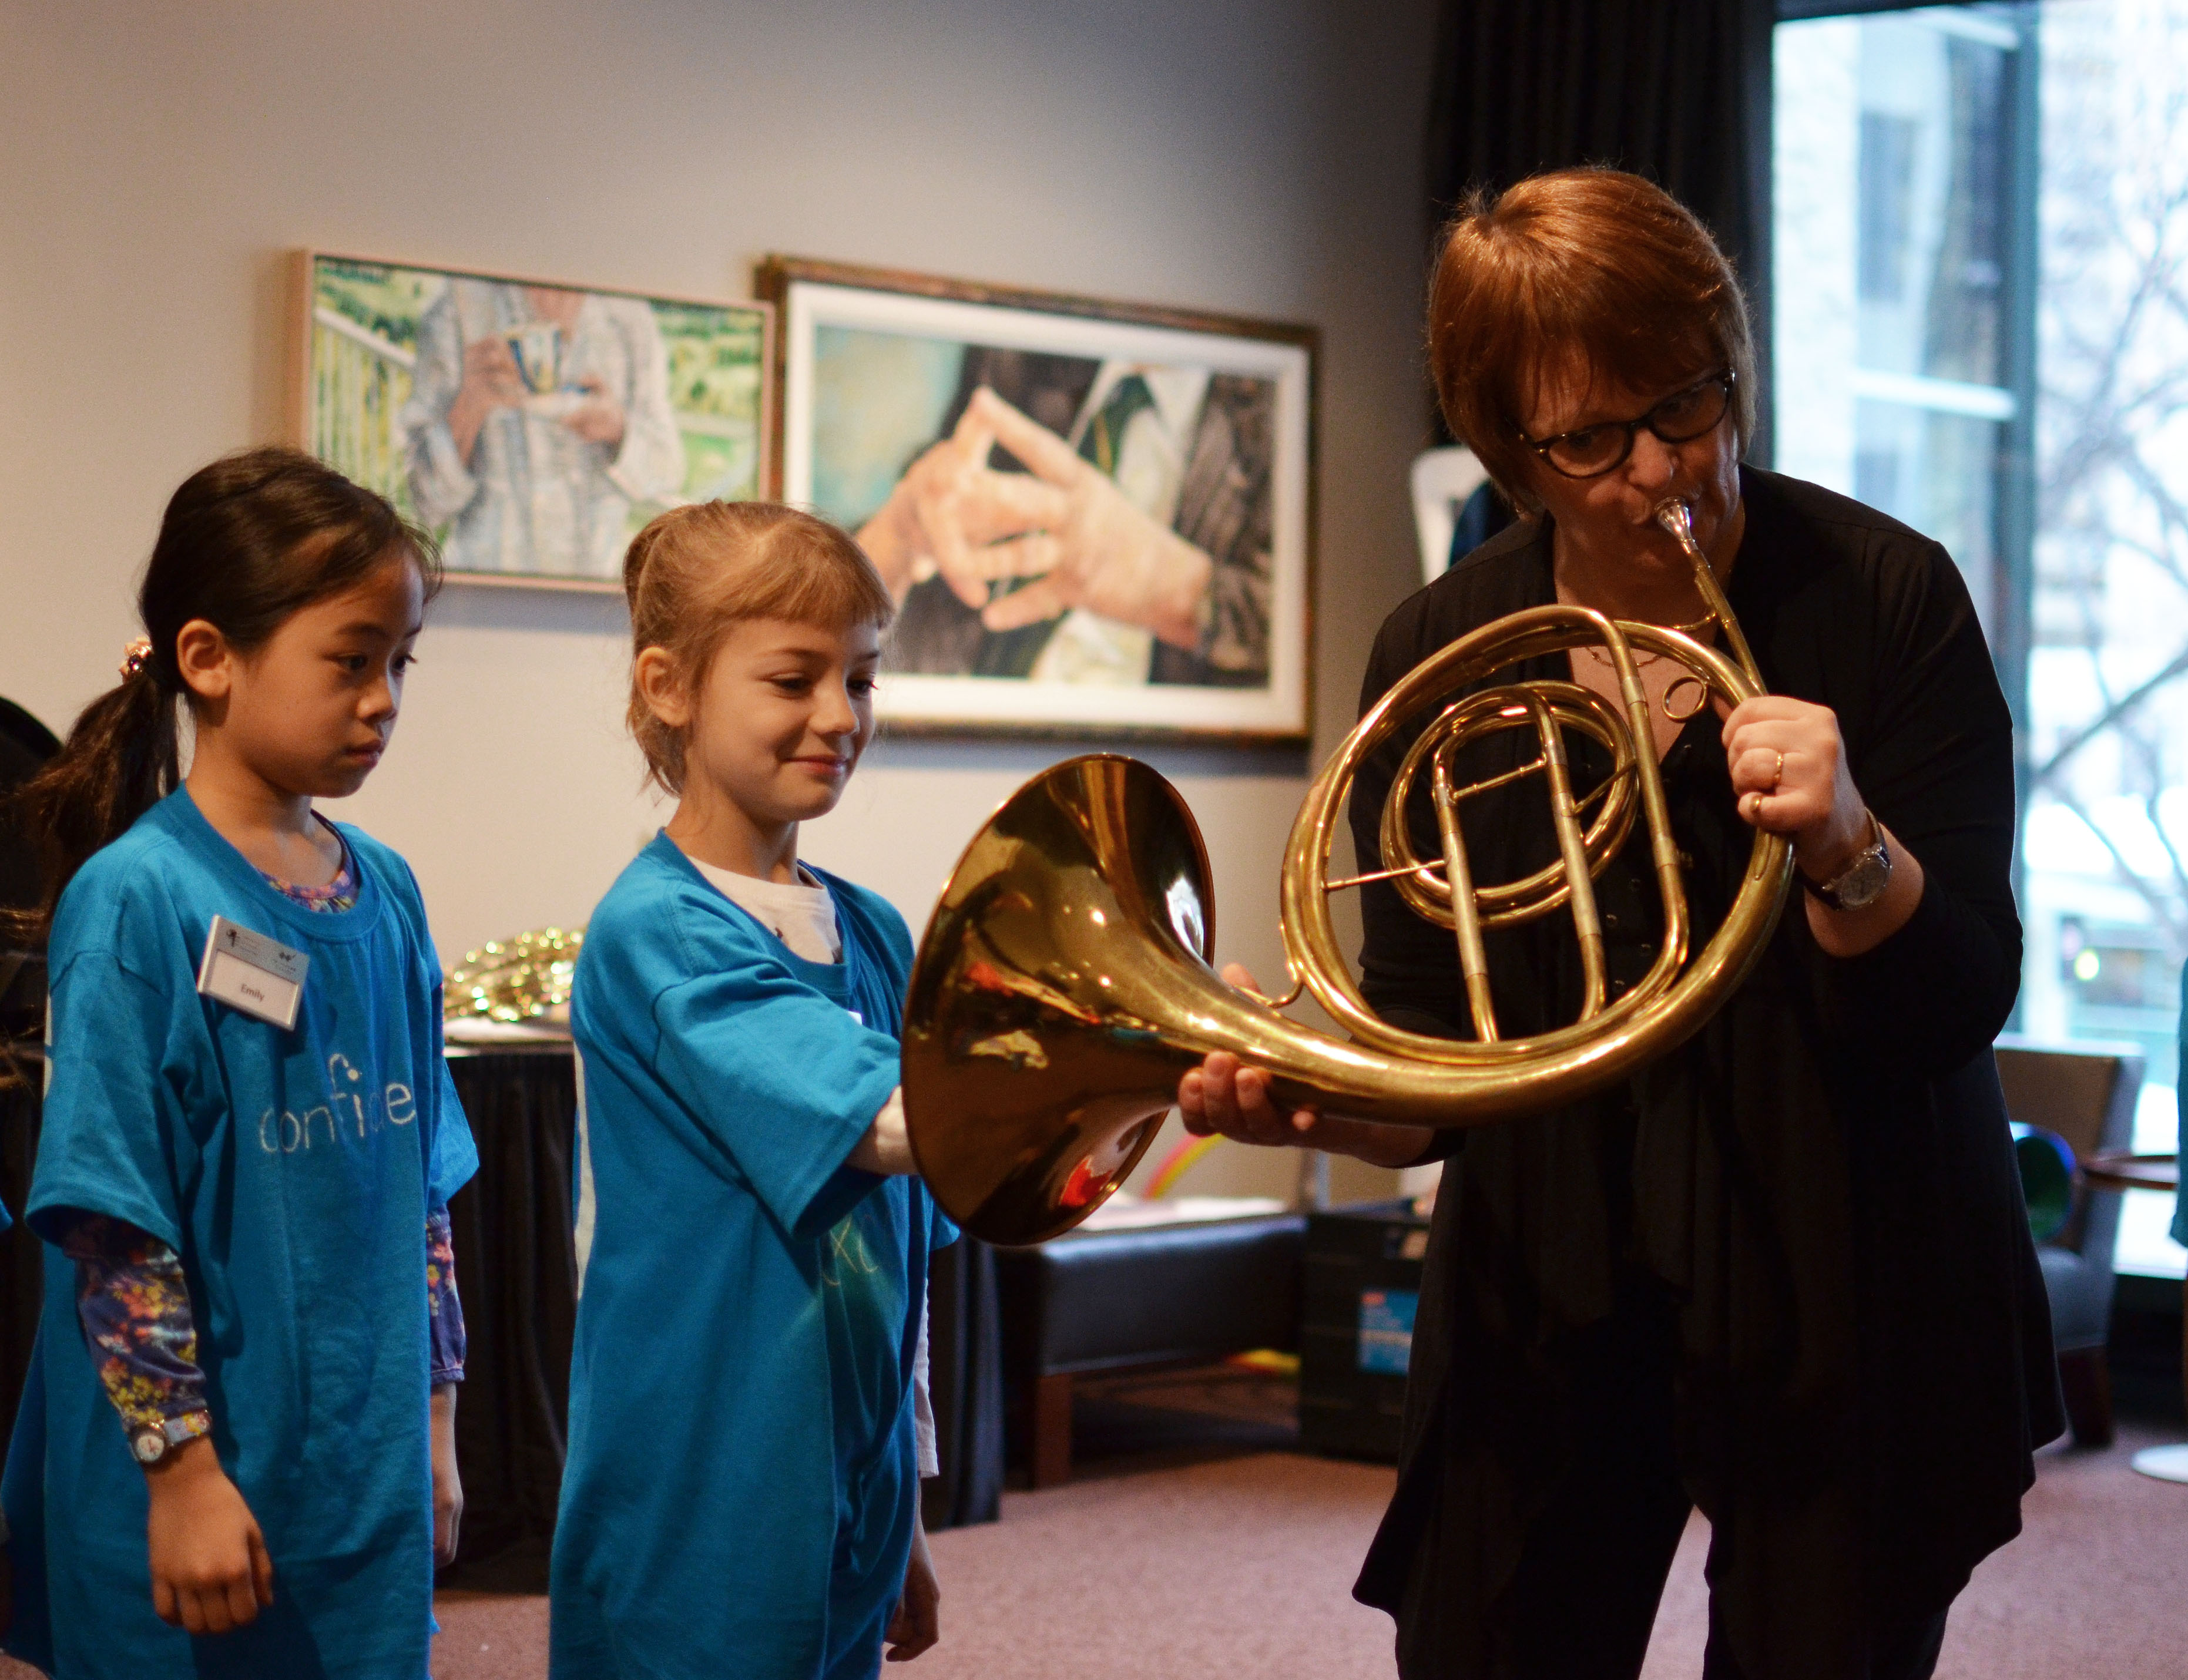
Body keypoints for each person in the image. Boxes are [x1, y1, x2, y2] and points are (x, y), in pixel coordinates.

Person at [1180, 169, 2058, 1680]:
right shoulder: (1442, 649)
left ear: (1734, 367)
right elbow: (1435, 1063)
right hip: (1548, 1267)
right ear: (1506, 444)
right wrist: (1312, 1088)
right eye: (1593, 437)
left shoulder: (1886, 591)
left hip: (1847, 1264)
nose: (1662, 472)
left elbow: (1961, 994)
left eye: (1689, 406)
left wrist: (1852, 843)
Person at [1, 447, 476, 1676]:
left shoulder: (391, 893)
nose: (383, 698)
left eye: (399, 663)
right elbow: (115, 1227)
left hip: (357, 1485)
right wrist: (185, 1474)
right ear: (209, 657)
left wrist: (435, 1418)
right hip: (202, 1492)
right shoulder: (137, 902)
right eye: (350, 657)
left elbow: (424, 1189)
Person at [549, 501, 952, 1679]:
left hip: (849, 1479)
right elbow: (894, 1124)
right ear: (668, 685)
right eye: (793, 678)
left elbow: (904, 1266)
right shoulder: (656, 931)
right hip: (706, 1488)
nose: (839, 716)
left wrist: (906, 1505)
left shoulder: (872, 930)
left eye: (861, 679)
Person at [852, 351, 1274, 687]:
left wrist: (1184, 594)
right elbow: (895, 625)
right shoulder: (1019, 357)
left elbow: (1305, 647)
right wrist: (898, 537)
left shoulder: (1273, 409)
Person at [404, 277, 686, 579]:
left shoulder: (628, 317)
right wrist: (469, 405)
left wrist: (619, 430)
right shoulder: (460, 307)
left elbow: (669, 470)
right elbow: (424, 501)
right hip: (482, 589)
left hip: (597, 592)